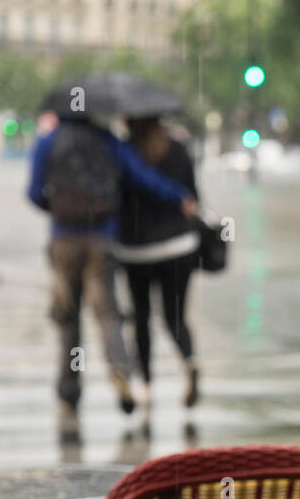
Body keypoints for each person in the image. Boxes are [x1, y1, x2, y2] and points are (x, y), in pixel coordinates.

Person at [28, 114, 196, 439]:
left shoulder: (49, 142)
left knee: (68, 320)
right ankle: (120, 369)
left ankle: (69, 393)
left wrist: (60, 210)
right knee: (107, 314)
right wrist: (180, 197)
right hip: (102, 239)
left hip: (64, 240)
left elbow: (34, 192)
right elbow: (141, 178)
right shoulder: (108, 141)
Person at [115, 118, 202, 421]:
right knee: (175, 317)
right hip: (180, 248)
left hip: (137, 251)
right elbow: (193, 197)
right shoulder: (178, 149)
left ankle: (148, 388)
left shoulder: (124, 151)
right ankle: (189, 362)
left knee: (141, 319)